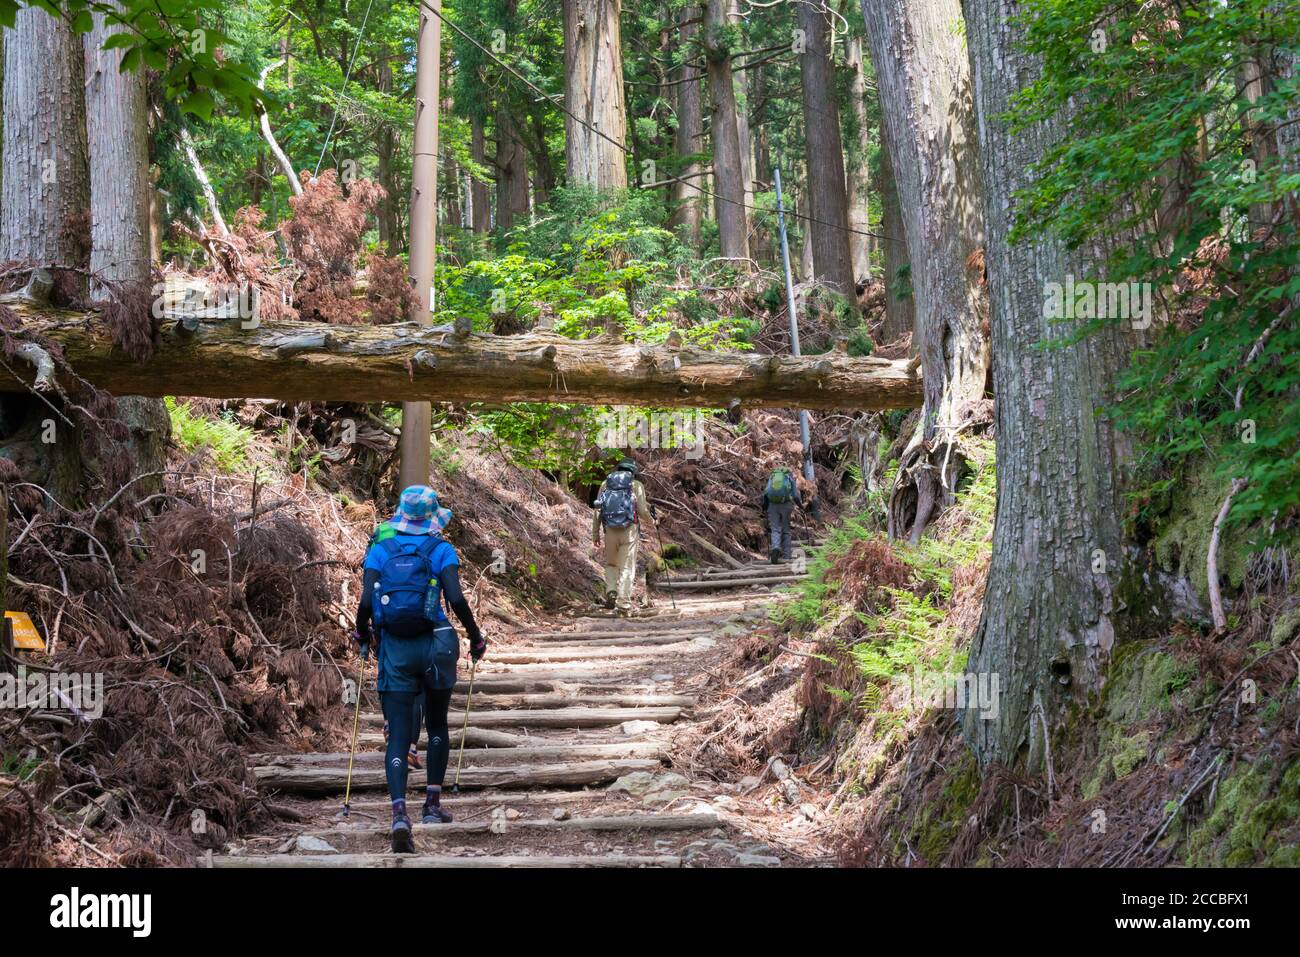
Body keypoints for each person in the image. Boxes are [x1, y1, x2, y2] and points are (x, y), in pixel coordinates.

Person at [353, 485, 486, 853]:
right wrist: (476, 637)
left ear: (400, 515)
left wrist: (362, 633)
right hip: (437, 644)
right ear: (432, 517)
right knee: (438, 723)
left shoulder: (380, 551)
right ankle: (431, 805)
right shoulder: (441, 549)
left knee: (398, 735)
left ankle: (399, 814)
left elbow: (365, 601)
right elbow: (456, 598)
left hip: (395, 648)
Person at [592, 458, 656, 616]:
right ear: (633, 472)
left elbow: (598, 509)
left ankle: (612, 590)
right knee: (627, 567)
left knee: (611, 564)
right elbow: (641, 510)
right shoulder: (636, 485)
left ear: (618, 468)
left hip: (610, 530)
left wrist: (595, 532)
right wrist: (653, 521)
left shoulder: (605, 484)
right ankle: (623, 605)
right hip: (629, 530)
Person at [759, 466, 804, 564]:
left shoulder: (772, 476)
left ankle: (775, 548)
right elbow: (795, 495)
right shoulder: (789, 477)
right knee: (786, 530)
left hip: (772, 505)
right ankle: (787, 556)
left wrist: (765, 507)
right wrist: (801, 506)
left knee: (775, 529)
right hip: (786, 505)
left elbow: (765, 493)